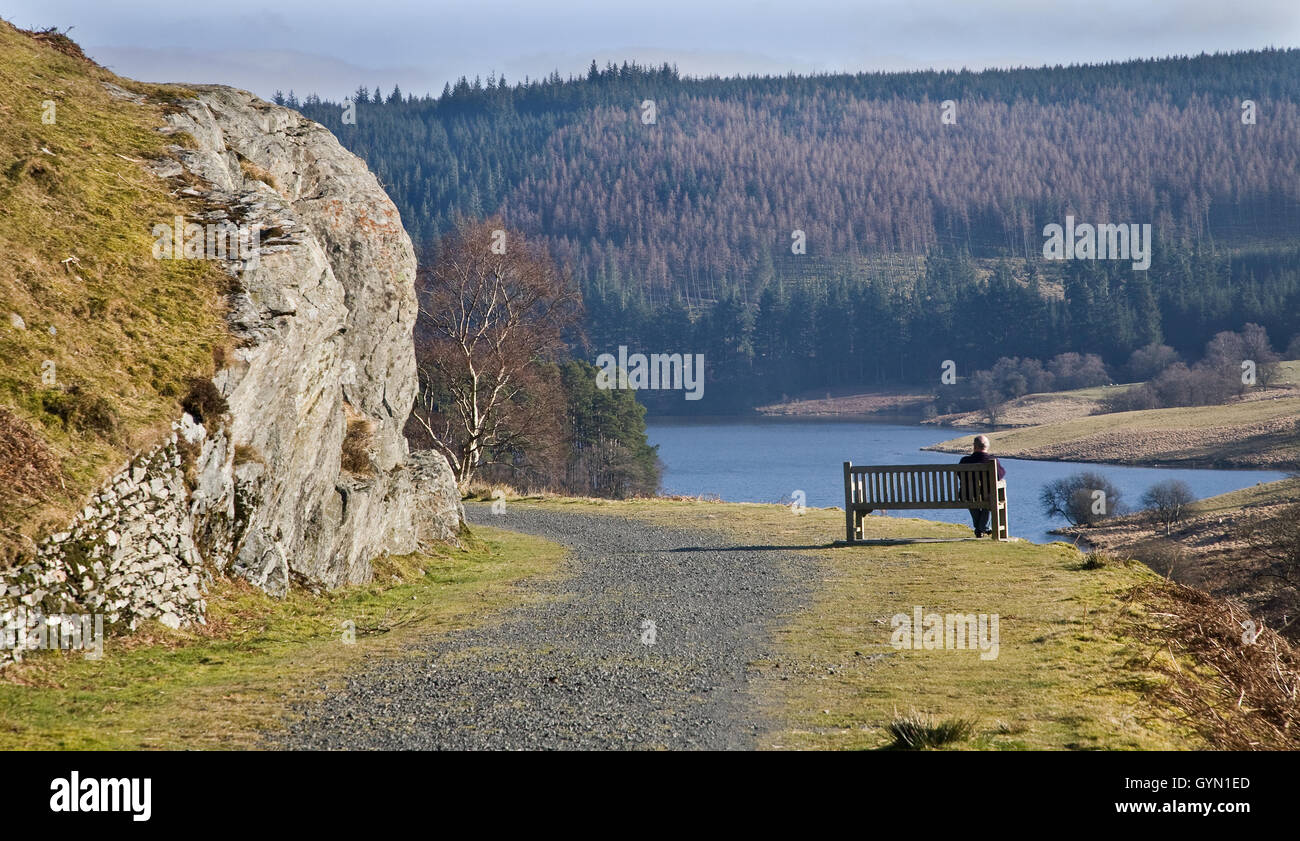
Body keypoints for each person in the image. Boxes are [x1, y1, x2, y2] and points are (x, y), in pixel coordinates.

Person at [958, 434, 1006, 538]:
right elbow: (1000, 476)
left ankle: (980, 529)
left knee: (970, 498)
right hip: (987, 496)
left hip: (967, 496)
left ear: (974, 446)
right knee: (990, 499)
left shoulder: (964, 461)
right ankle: (983, 527)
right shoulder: (992, 461)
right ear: (987, 446)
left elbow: (960, 476)